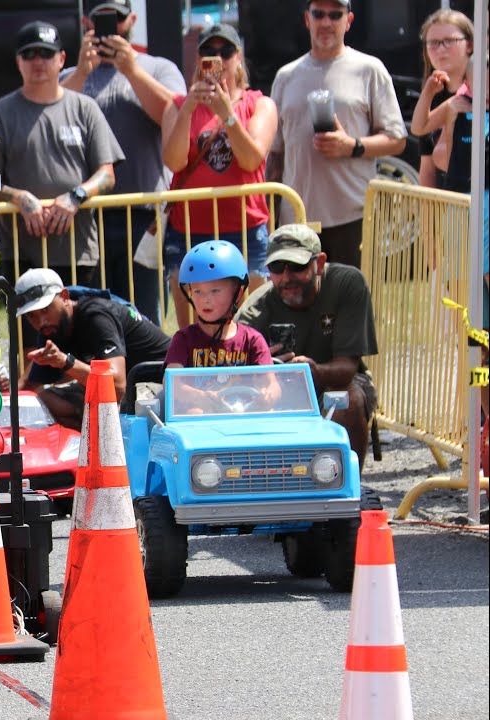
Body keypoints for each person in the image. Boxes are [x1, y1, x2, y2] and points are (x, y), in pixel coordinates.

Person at [60, 0, 185, 320]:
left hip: (143, 213)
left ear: (132, 19)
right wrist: (82, 72)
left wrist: (131, 70)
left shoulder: (158, 68)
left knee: (144, 315)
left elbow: (175, 116)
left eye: (117, 18)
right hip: (86, 215)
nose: (111, 26)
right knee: (94, 315)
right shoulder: (71, 74)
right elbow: (49, 118)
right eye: (102, 19)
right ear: (86, 23)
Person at [0, 20, 124, 287]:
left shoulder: (86, 108)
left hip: (78, 252)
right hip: (19, 255)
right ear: (18, 62)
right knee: (23, 318)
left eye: (46, 53)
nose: (38, 61)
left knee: (80, 316)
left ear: (61, 59)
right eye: (29, 54)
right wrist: (20, 198)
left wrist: (75, 196)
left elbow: (107, 174)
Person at [267, 0, 406, 269]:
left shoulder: (369, 69)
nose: (326, 22)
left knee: (349, 295)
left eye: (335, 15)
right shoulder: (286, 76)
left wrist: (352, 146)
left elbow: (397, 139)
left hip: (353, 218)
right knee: (298, 297)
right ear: (307, 19)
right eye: (319, 14)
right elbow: (276, 154)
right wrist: (269, 214)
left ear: (348, 21)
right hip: (297, 219)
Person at [161, 24, 278, 329]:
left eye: (225, 51)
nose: (218, 59)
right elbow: (174, 161)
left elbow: (251, 159)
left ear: (238, 57)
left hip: (245, 229)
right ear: (198, 59)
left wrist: (227, 114)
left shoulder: (259, 103)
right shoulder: (178, 105)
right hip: (189, 230)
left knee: (251, 324)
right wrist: (189, 108)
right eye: (209, 52)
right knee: (194, 329)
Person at [236, 224, 378, 470]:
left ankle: (348, 483)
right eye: (277, 268)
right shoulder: (253, 312)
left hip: (332, 382)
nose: (286, 277)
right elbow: (234, 377)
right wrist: (263, 367)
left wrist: (312, 371)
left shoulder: (346, 284)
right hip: (273, 390)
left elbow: (347, 368)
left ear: (319, 263)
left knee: (347, 399)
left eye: (297, 266)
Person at [15, 268, 169, 428]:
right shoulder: (51, 328)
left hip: (158, 383)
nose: (41, 321)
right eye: (31, 316)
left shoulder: (97, 316)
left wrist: (66, 362)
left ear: (65, 297)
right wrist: (1, 400)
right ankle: (92, 439)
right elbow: (29, 386)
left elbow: (117, 387)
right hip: (125, 388)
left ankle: (105, 439)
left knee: (109, 414)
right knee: (45, 401)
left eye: (45, 309)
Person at [165, 241, 272, 369]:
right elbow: (172, 379)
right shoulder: (183, 340)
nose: (205, 300)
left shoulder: (252, 341)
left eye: (215, 291)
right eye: (198, 291)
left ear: (237, 293)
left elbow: (269, 380)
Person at [412, 9, 474, 189]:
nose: (440, 49)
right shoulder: (432, 97)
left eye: (449, 41)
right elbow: (427, 171)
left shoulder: (479, 95)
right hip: (449, 202)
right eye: (433, 43)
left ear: (469, 45)